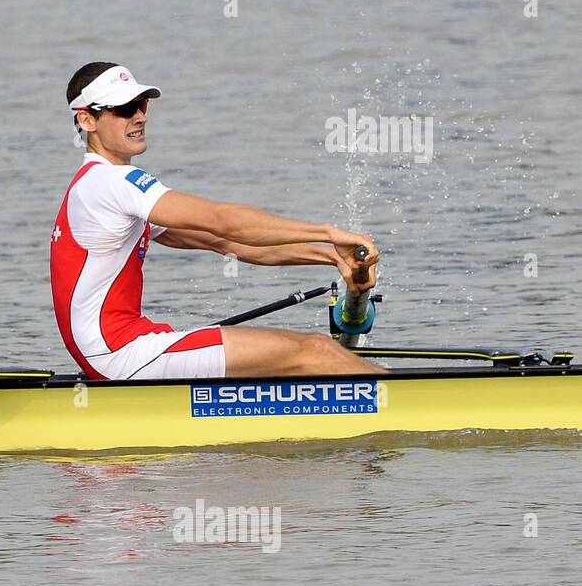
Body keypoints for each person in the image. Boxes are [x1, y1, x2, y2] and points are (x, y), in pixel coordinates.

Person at [51, 62, 383, 380]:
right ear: (87, 120)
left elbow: (225, 243)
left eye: (142, 105)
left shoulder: (100, 189)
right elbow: (222, 221)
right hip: (120, 352)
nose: (139, 116)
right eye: (123, 109)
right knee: (314, 351)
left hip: (119, 349)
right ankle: (417, 403)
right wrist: (328, 233)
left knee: (315, 350)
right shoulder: (109, 183)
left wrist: (329, 257)